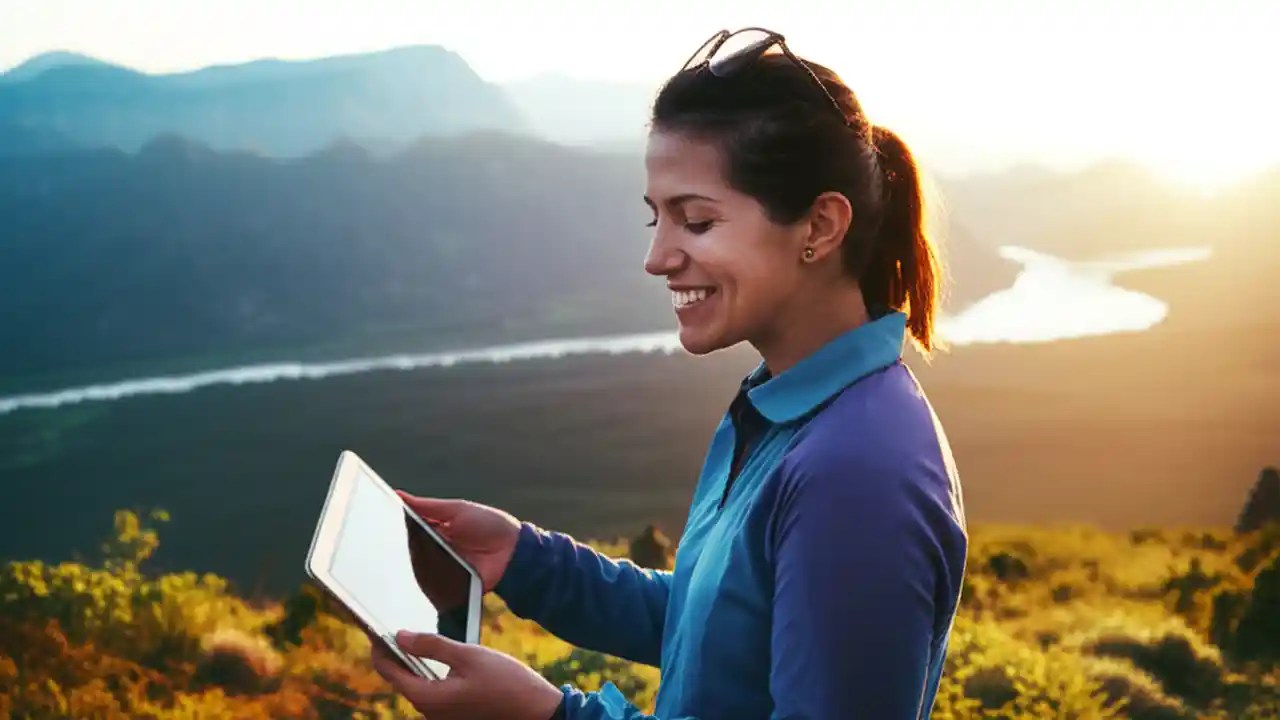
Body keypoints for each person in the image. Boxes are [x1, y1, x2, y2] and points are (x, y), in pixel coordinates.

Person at [369, 27, 969, 720]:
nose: (657, 258)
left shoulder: (856, 470)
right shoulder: (783, 408)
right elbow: (717, 628)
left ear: (820, 227)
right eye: (657, 219)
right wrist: (526, 561)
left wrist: (550, 716)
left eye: (697, 221)